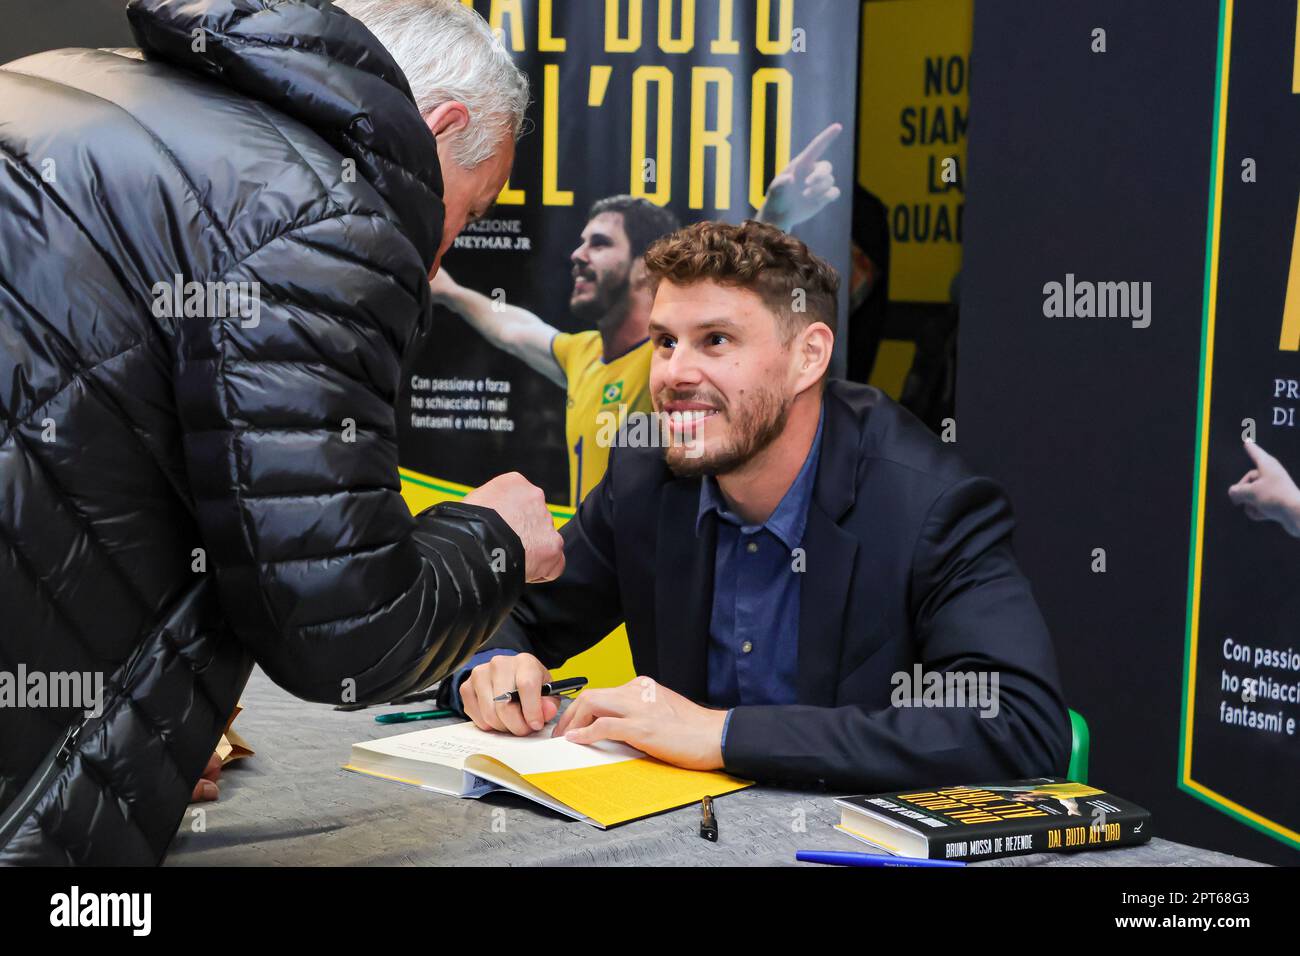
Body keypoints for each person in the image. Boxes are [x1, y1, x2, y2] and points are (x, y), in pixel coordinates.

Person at [0, 0, 562, 864]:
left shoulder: (75, 80)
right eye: (468, 211)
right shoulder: (325, 212)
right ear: (439, 126)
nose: (440, 256)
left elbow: (90, 456)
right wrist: (496, 541)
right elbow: (344, 632)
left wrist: (153, 715)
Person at [442, 220, 1072, 792]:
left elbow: (1016, 722)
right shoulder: (644, 474)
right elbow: (515, 611)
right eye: (664, 342)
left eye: (715, 340)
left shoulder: (930, 505)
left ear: (809, 357)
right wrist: (495, 665)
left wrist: (723, 736)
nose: (673, 374)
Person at [429, 124, 845, 507]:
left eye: (600, 243)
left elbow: (732, 298)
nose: (578, 256)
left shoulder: (667, 363)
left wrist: (774, 218)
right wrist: (448, 290)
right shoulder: (585, 354)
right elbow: (513, 328)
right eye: (668, 342)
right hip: (596, 567)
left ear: (642, 268)